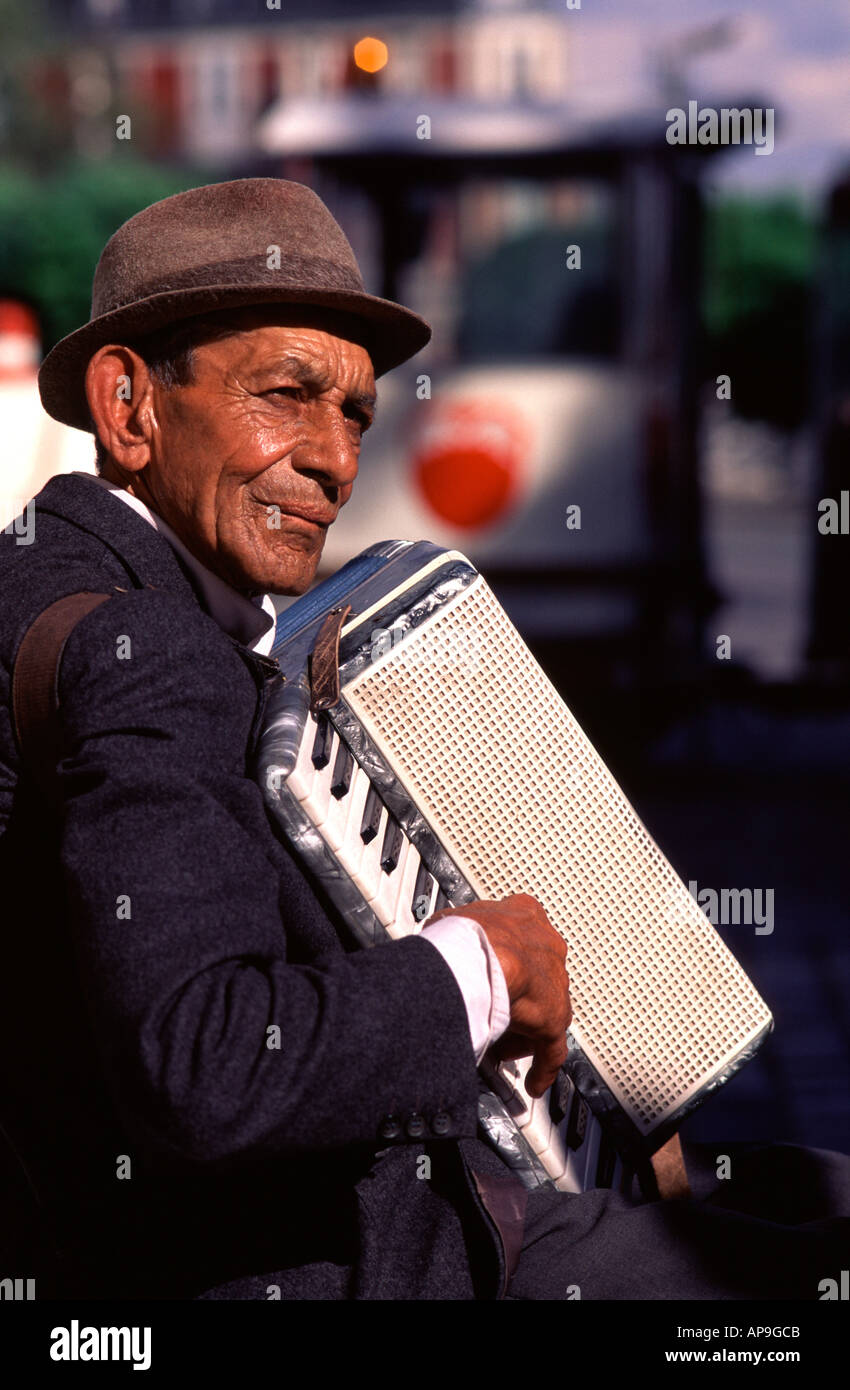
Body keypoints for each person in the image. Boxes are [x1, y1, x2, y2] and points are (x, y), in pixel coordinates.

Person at [0, 179, 846, 1301]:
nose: (334, 458)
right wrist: (479, 966)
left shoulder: (39, 580)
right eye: (287, 393)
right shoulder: (147, 650)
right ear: (130, 407)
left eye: (353, 413)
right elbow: (202, 1062)